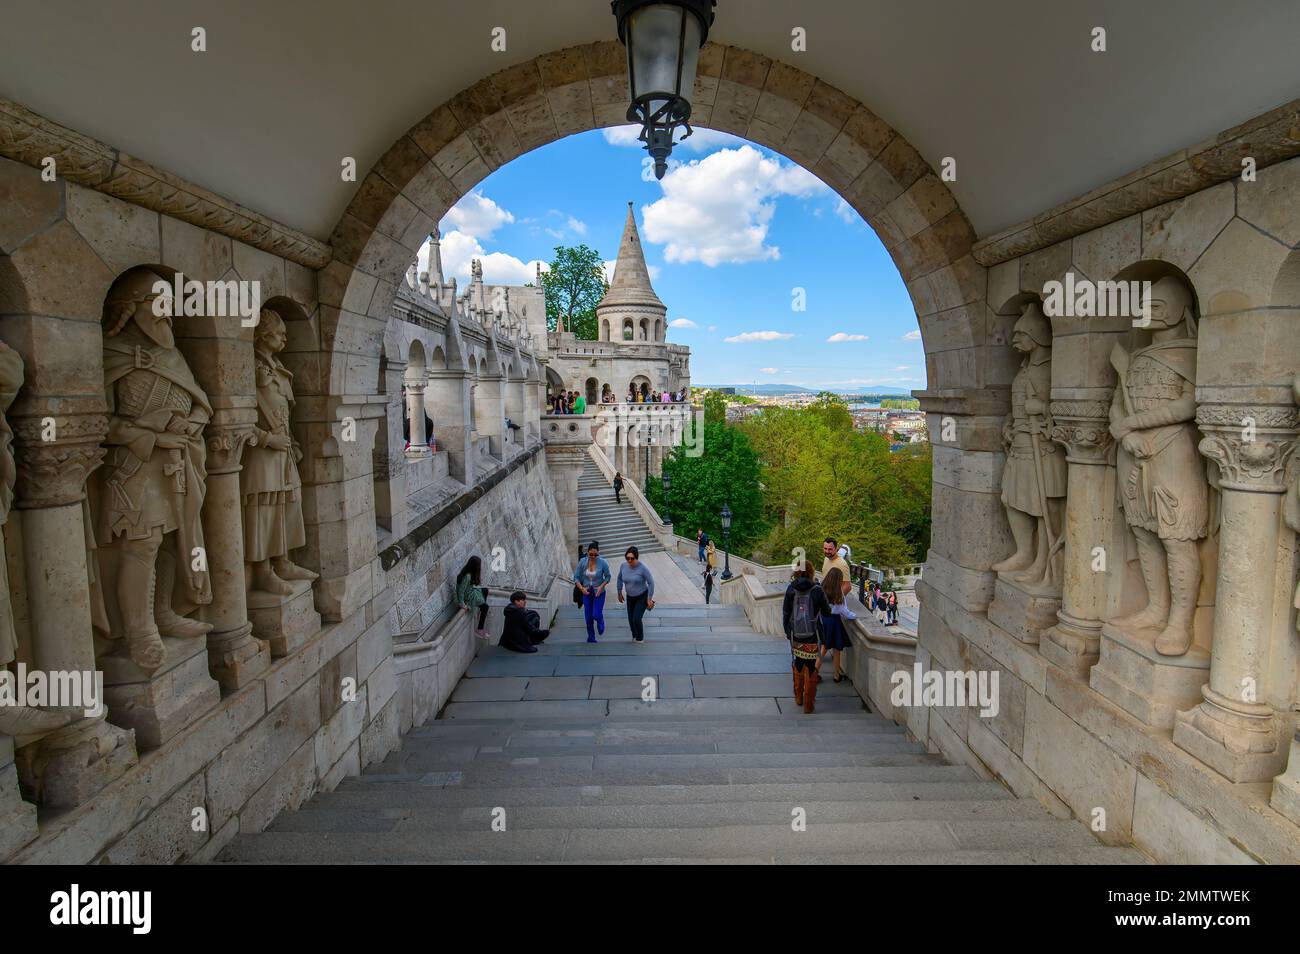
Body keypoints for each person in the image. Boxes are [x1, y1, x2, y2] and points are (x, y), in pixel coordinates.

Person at [783, 560, 830, 713]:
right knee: (810, 666)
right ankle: (808, 705)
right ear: (811, 572)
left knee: (798, 662)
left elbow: (786, 613)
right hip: (812, 633)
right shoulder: (817, 589)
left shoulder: (791, 589)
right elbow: (826, 611)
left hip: (795, 633)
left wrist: (787, 632)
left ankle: (798, 697)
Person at [819, 566, 852, 683]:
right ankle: (836, 675)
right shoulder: (839, 595)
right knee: (836, 649)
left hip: (824, 619)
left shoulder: (821, 590)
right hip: (834, 621)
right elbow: (845, 612)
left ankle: (815, 673)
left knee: (824, 646)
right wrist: (854, 616)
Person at [616, 545, 655, 642]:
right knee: (630, 620)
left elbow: (651, 582)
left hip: (642, 596)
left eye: (632, 558)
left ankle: (640, 638)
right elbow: (619, 578)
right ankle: (634, 636)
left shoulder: (642, 568)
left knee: (636, 618)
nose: (629, 560)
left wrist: (649, 598)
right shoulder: (623, 566)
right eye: (627, 558)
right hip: (630, 597)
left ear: (636, 557)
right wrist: (619, 591)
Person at [574, 540, 610, 643]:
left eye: (595, 554)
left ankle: (600, 621)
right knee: (588, 617)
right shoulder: (582, 562)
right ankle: (591, 637)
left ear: (598, 553)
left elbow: (608, 577)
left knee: (596, 614)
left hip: (599, 592)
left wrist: (601, 586)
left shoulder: (603, 562)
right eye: (591, 554)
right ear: (587, 552)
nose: (593, 556)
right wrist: (582, 589)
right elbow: (576, 577)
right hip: (586, 592)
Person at [454, 556, 491, 639]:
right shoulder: (467, 576)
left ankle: (480, 610)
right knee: (485, 607)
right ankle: (480, 629)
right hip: (469, 597)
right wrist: (462, 604)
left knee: (485, 590)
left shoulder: (466, 572)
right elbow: (461, 591)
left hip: (470, 592)